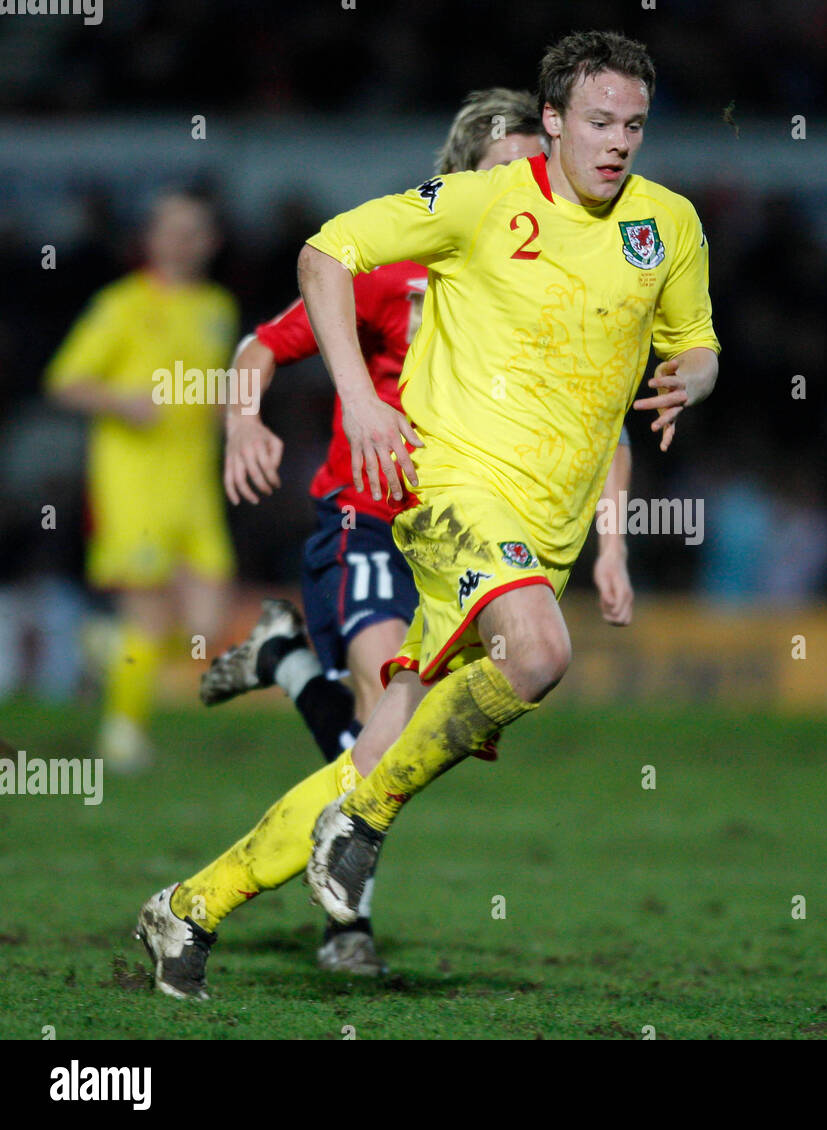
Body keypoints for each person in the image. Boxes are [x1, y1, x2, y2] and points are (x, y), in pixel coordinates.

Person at [137, 29, 718, 1000]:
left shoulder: (668, 225)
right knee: (538, 651)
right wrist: (359, 399)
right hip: (440, 492)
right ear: (553, 124)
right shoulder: (481, 205)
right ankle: (359, 828)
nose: (619, 142)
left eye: (635, 125)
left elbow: (694, 345)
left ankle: (191, 904)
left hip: (545, 527)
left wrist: (688, 383)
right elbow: (323, 252)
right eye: (599, 122)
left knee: (374, 749)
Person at [200, 88, 634, 976]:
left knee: (418, 739)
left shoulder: (545, 294)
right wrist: (244, 422)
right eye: (506, 170)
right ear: (461, 177)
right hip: (368, 522)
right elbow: (258, 346)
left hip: (468, 545)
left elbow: (607, 428)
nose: (525, 189)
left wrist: (613, 540)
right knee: (380, 738)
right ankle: (343, 926)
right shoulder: (399, 269)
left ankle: (285, 660)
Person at [45, 191, 237, 771]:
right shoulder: (120, 305)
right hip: (134, 483)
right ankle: (123, 734)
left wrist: (236, 413)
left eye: (195, 230)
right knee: (150, 613)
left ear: (212, 242)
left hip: (195, 484)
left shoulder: (217, 306)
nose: (182, 241)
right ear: (149, 239)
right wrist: (121, 401)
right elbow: (64, 382)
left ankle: (107, 648)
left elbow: (217, 388)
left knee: (209, 619)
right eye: (171, 229)